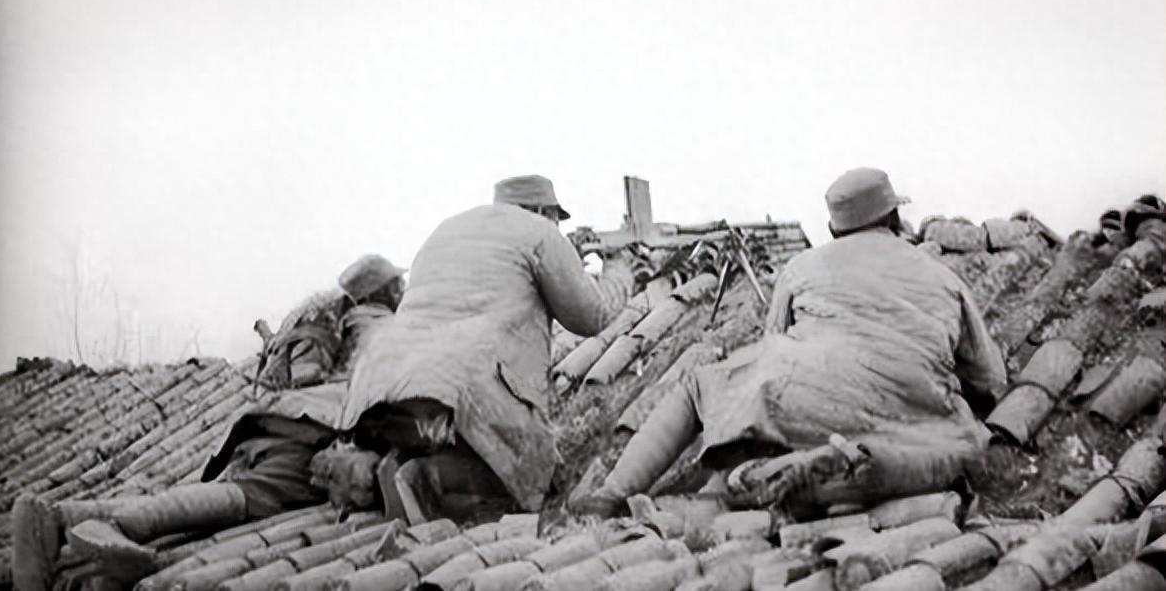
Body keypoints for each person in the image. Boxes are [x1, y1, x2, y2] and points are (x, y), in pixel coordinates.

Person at [575, 167, 1007, 516]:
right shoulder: (943, 277)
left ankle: (613, 492)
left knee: (697, 386)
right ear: (894, 218)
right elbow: (989, 378)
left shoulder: (803, 266)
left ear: (834, 229)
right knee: (957, 446)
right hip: (908, 413)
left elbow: (774, 340)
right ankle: (835, 475)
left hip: (803, 396)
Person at [13, 254, 407, 589]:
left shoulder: (323, 319)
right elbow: (385, 380)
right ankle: (125, 524)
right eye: (398, 286)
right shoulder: (377, 323)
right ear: (385, 292)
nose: (403, 293)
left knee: (221, 495)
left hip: (262, 426)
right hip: (313, 429)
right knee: (258, 495)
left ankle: (61, 517)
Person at [339, 175, 637, 522]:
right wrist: (621, 268)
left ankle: (396, 465)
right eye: (554, 217)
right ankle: (426, 477)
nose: (555, 225)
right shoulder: (539, 232)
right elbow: (593, 316)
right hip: (459, 391)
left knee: (435, 435)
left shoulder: (447, 230)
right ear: (542, 210)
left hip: (382, 387)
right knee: (529, 479)